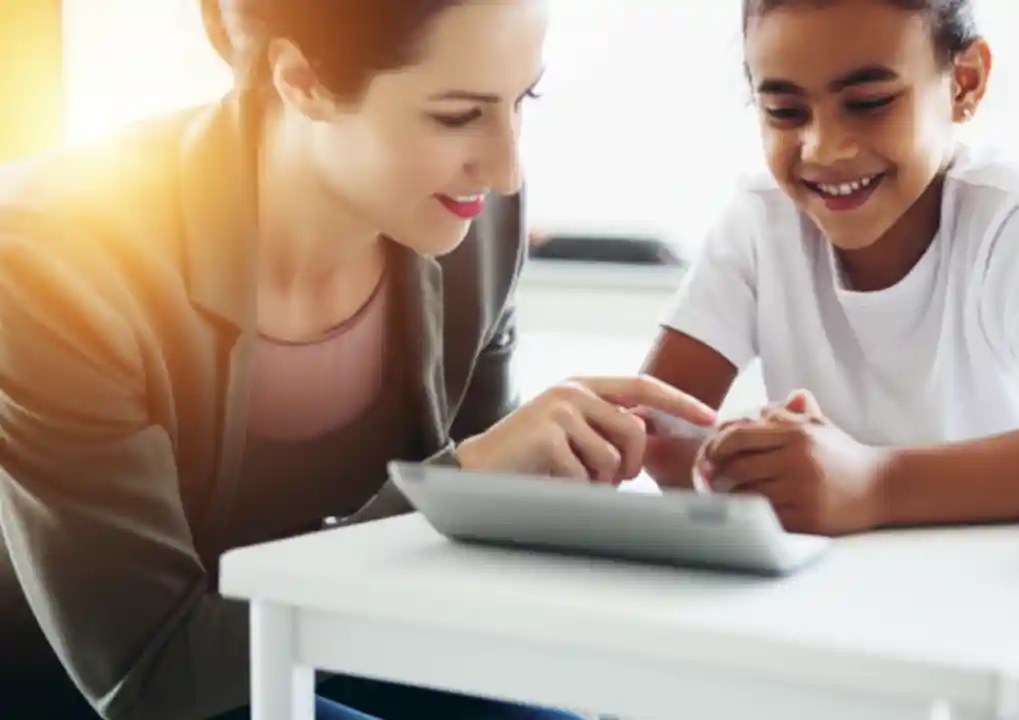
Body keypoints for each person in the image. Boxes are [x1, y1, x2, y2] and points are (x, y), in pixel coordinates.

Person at [0, 1, 714, 718]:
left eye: (522, 99)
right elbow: (151, 678)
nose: (505, 169)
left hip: (337, 646)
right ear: (301, 79)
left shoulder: (474, 223)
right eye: (457, 115)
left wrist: (565, 498)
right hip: (127, 687)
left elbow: (463, 574)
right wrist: (461, 483)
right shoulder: (52, 262)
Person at [642, 0, 1019, 536]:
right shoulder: (760, 220)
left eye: (869, 103)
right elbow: (656, 430)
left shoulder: (1015, 218)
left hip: (997, 584)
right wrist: (755, 467)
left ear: (964, 83)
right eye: (784, 112)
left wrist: (876, 483)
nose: (824, 149)